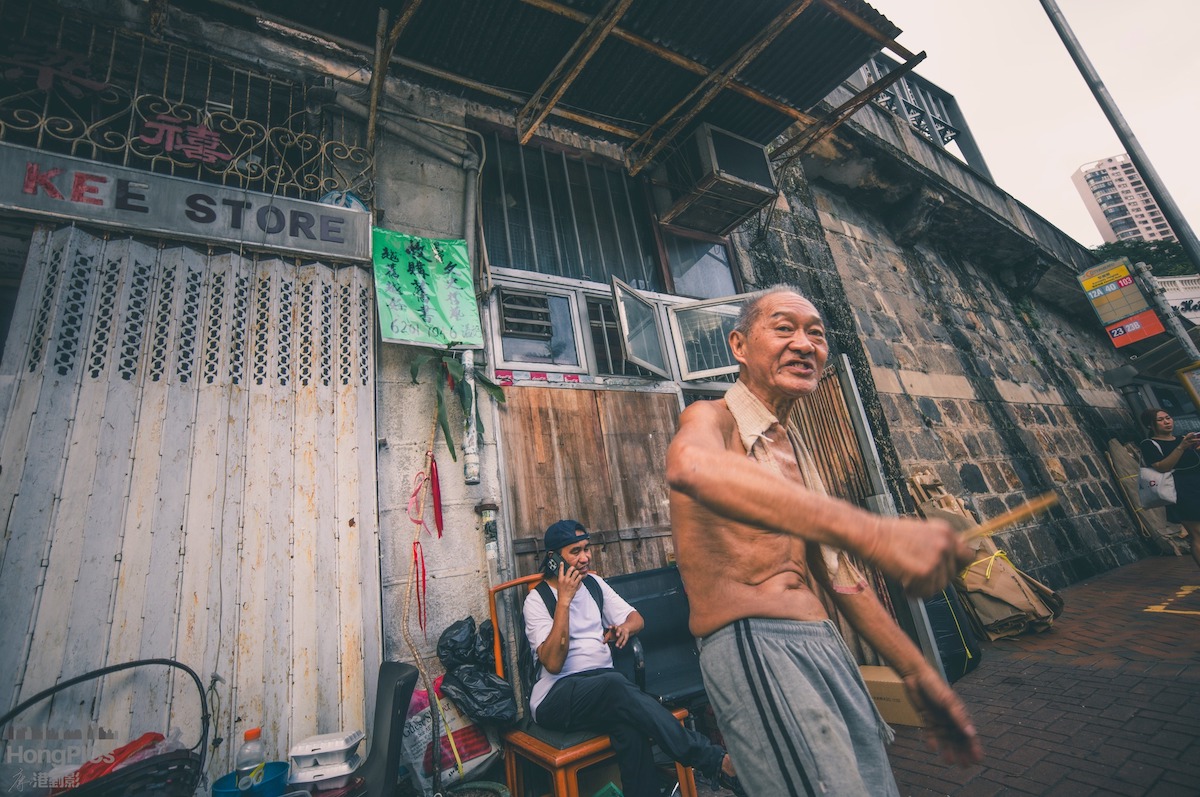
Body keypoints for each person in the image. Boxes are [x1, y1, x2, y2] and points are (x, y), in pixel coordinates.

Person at [666, 286, 983, 796]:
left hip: (824, 646)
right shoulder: (712, 418)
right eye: (784, 327)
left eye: (816, 333)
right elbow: (691, 466)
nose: (805, 344)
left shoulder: (793, 449)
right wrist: (875, 530)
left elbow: (844, 581)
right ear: (739, 346)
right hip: (757, 644)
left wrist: (919, 674)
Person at [524, 519, 745, 797]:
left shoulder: (594, 585)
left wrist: (625, 628)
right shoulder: (537, 600)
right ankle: (715, 762)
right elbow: (554, 663)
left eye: (586, 549)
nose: (585, 557)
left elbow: (636, 618)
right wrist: (564, 602)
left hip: (604, 691)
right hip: (557, 696)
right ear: (553, 559)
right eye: (575, 552)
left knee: (630, 726)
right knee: (616, 686)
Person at [1139, 407, 1200, 568]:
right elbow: (1162, 467)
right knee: (1197, 534)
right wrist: (1181, 447)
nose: (1167, 422)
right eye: (1161, 420)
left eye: (1168, 417)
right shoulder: (1149, 444)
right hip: (1181, 490)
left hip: (1197, 482)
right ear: (1150, 425)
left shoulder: (1182, 438)